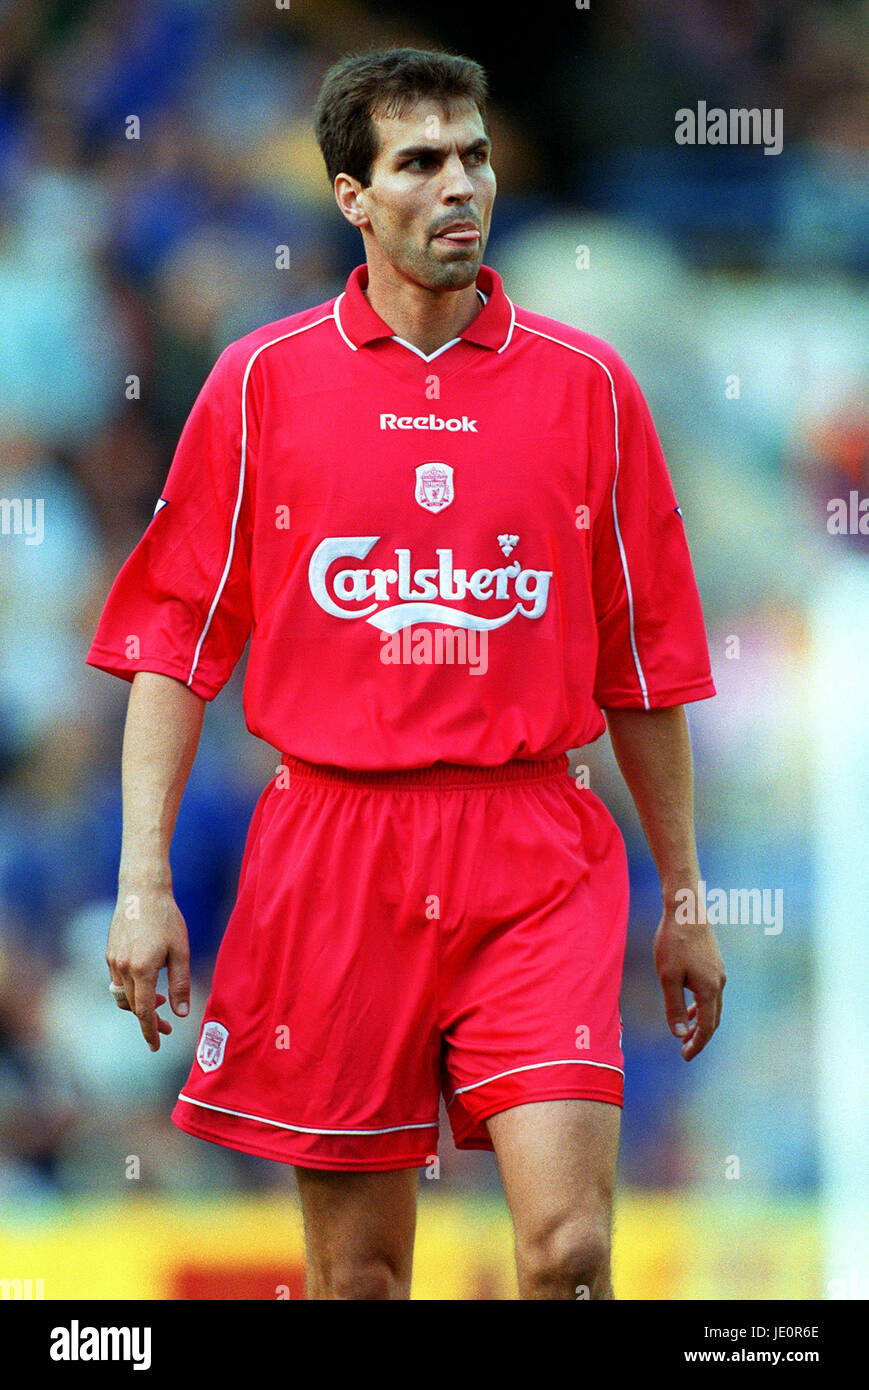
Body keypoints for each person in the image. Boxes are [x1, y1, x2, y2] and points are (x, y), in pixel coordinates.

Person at [87, 46, 726, 1300]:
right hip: (331, 844)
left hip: (533, 838)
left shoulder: (588, 389)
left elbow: (642, 669)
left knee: (571, 1249)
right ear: (350, 196)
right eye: (420, 163)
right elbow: (174, 643)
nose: (459, 187)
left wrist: (688, 895)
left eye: (474, 157)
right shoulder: (261, 382)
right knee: (362, 1278)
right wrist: (140, 884)